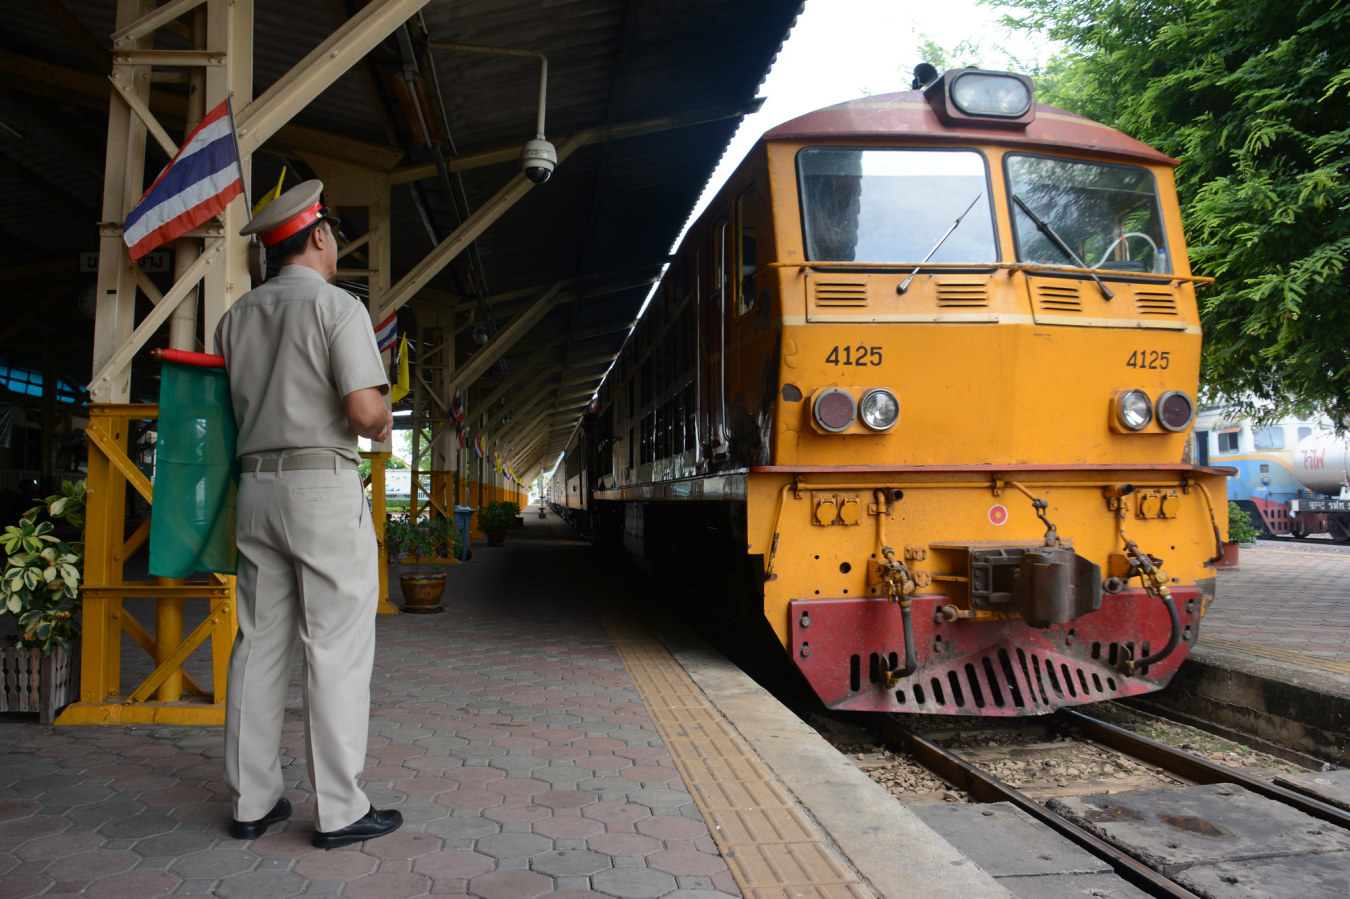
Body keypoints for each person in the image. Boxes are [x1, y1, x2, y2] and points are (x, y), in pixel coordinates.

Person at [215, 180, 401, 849]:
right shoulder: (337, 307)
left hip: (256, 490)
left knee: (257, 645)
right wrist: (382, 413)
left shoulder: (234, 319)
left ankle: (251, 801)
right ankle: (340, 808)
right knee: (335, 649)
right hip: (321, 488)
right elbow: (362, 411)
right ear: (319, 236)